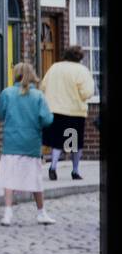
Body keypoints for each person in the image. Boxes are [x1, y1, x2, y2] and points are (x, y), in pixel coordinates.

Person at [0, 62, 56, 226]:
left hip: (12, 141)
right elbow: (47, 119)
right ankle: (41, 212)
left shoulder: (7, 93)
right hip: (31, 142)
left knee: (9, 178)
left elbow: (0, 113)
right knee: (35, 179)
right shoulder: (38, 96)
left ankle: (8, 213)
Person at [40, 45, 95, 181]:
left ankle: (53, 166)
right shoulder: (82, 71)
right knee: (73, 143)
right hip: (73, 112)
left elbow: (43, 86)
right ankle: (75, 171)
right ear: (80, 57)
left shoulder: (54, 68)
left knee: (57, 141)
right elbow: (87, 92)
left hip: (54, 110)